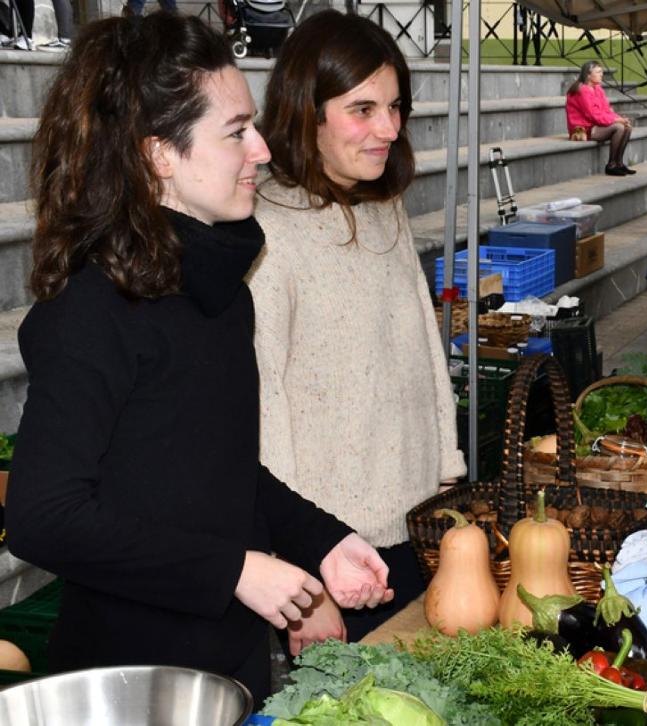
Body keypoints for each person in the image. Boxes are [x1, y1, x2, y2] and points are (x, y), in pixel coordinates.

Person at [5, 14, 393, 703]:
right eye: (237, 130)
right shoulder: (90, 313)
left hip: (224, 671)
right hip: (129, 684)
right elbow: (45, 516)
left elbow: (213, 470)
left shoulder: (217, 291)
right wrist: (234, 570)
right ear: (159, 154)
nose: (264, 150)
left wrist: (320, 538)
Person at [249, 10, 466, 651]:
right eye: (363, 109)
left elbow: (423, 346)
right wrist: (304, 576)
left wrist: (446, 464)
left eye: (395, 107)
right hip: (332, 551)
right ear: (304, 111)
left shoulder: (384, 207)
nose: (389, 129)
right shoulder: (266, 228)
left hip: (414, 524)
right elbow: (262, 409)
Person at [565, 60, 635, 176]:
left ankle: (619, 164)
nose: (601, 74)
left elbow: (606, 110)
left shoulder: (597, 88)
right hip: (582, 129)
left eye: (601, 72)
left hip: (594, 125)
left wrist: (620, 119)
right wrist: (616, 120)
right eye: (598, 72)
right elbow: (593, 115)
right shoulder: (582, 90)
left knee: (627, 127)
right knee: (619, 128)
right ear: (588, 75)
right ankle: (611, 165)